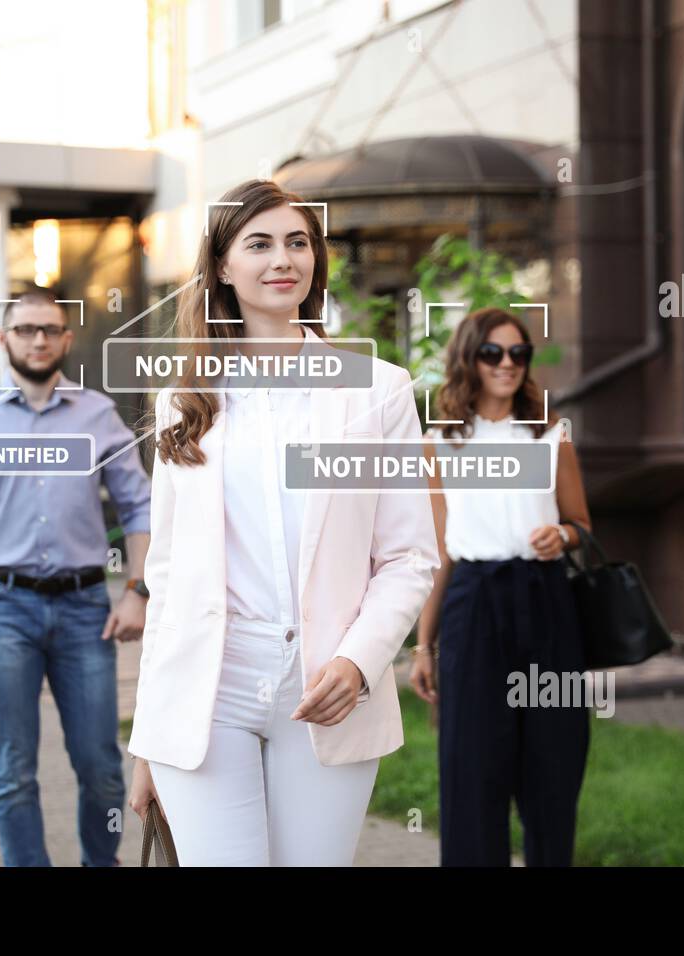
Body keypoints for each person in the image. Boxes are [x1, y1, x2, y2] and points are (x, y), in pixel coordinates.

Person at [125, 179, 438, 866]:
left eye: (298, 242)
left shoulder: (376, 389)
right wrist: (152, 735)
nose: (282, 259)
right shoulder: (186, 399)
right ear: (222, 268)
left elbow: (410, 556)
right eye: (259, 243)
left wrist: (358, 662)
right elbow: (169, 577)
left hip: (327, 687)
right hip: (207, 693)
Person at [0, 288, 151, 867]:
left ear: (66, 339)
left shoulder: (98, 413)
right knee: (13, 768)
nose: (39, 340)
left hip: (84, 611)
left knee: (102, 767)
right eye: (25, 330)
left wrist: (137, 590)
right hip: (2, 608)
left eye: (49, 329)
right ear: (3, 339)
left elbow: (141, 509)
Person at [410, 307, 593, 867]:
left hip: (545, 599)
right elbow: (439, 551)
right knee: (472, 766)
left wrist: (560, 536)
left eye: (519, 353)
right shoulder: (442, 440)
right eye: (493, 353)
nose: (507, 364)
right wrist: (424, 644)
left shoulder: (548, 429)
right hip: (473, 601)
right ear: (470, 358)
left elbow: (582, 525)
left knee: (553, 765)